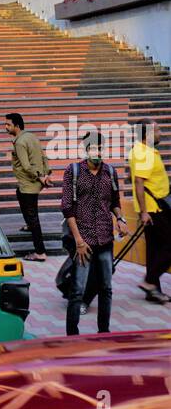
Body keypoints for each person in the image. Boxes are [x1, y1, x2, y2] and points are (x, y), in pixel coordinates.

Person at [62, 131, 129, 336]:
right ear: (85, 150)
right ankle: (72, 336)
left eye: (100, 148)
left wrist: (120, 219)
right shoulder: (73, 171)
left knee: (106, 289)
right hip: (84, 242)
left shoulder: (110, 172)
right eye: (92, 148)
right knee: (77, 291)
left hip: (105, 239)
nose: (97, 152)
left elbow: (114, 203)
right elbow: (67, 208)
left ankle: (104, 333)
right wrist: (79, 241)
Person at [128, 121, 171, 305]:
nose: (161, 132)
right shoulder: (144, 153)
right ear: (148, 134)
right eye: (158, 129)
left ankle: (152, 290)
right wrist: (145, 212)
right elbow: (139, 182)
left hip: (153, 207)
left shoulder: (144, 149)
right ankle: (149, 280)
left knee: (154, 248)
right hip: (154, 208)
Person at [5, 112, 51, 262]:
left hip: (29, 183)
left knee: (33, 218)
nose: (6, 127)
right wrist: (46, 174)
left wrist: (41, 177)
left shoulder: (19, 143)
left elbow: (26, 166)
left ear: (16, 126)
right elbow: (43, 156)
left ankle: (40, 252)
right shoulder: (31, 136)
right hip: (33, 182)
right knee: (19, 194)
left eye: (8, 125)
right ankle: (29, 225)